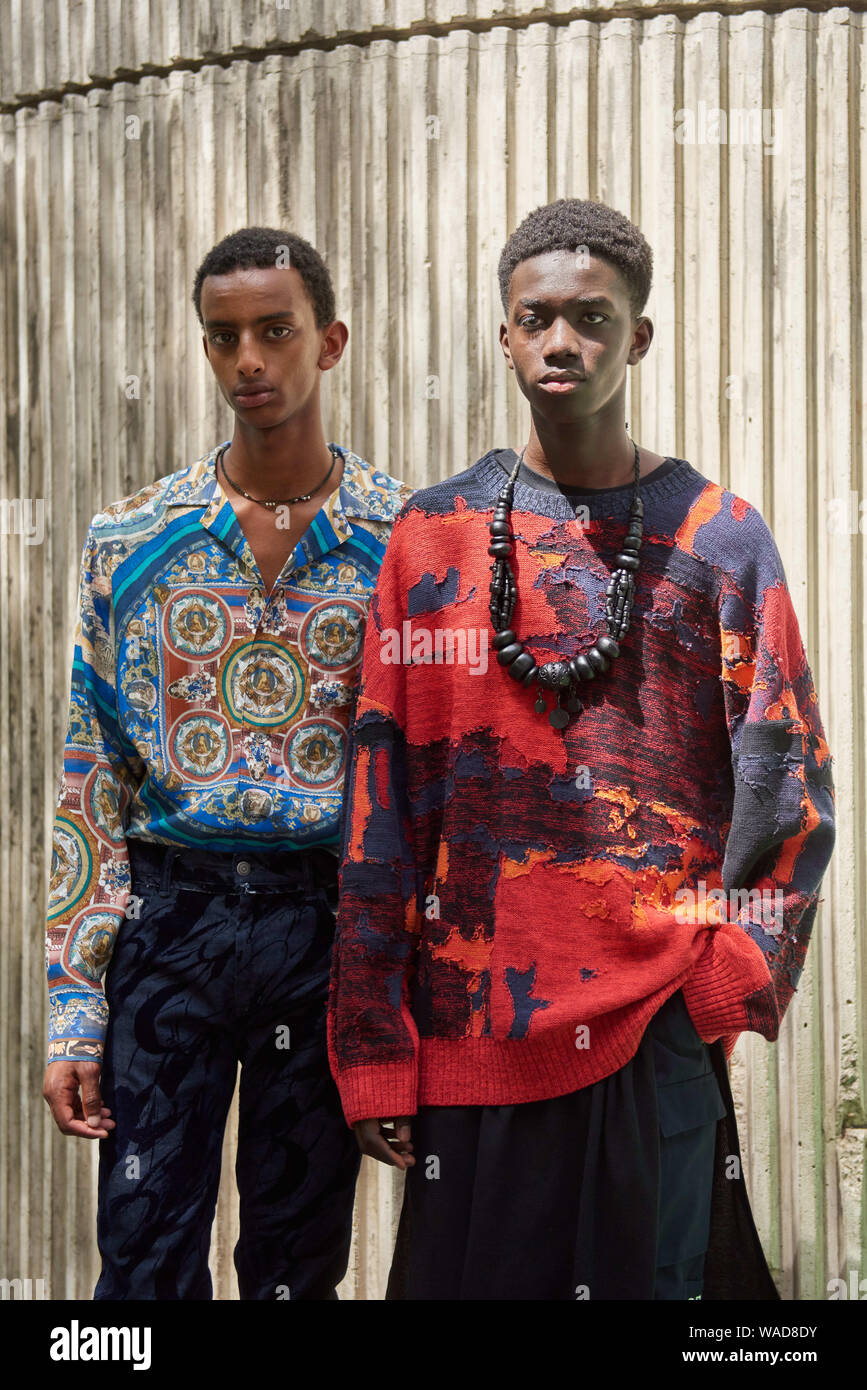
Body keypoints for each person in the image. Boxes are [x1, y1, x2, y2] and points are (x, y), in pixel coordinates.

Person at [327, 198, 836, 1300]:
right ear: (504, 335)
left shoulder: (719, 535)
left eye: (592, 318)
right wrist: (372, 1039)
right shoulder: (431, 540)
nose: (563, 342)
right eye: (537, 317)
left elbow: (789, 778)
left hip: (655, 1030)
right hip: (474, 1043)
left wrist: (733, 975)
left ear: (638, 337)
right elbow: (381, 804)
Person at [42, 226, 413, 1300]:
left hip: (325, 924)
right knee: (142, 1259)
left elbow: (427, 787)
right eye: (223, 338)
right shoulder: (131, 540)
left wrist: (402, 1003)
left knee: (297, 1264)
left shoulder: (407, 544)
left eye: (275, 331)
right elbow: (89, 778)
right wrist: (75, 1002)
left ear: (330, 342)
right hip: (171, 922)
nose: (249, 359)